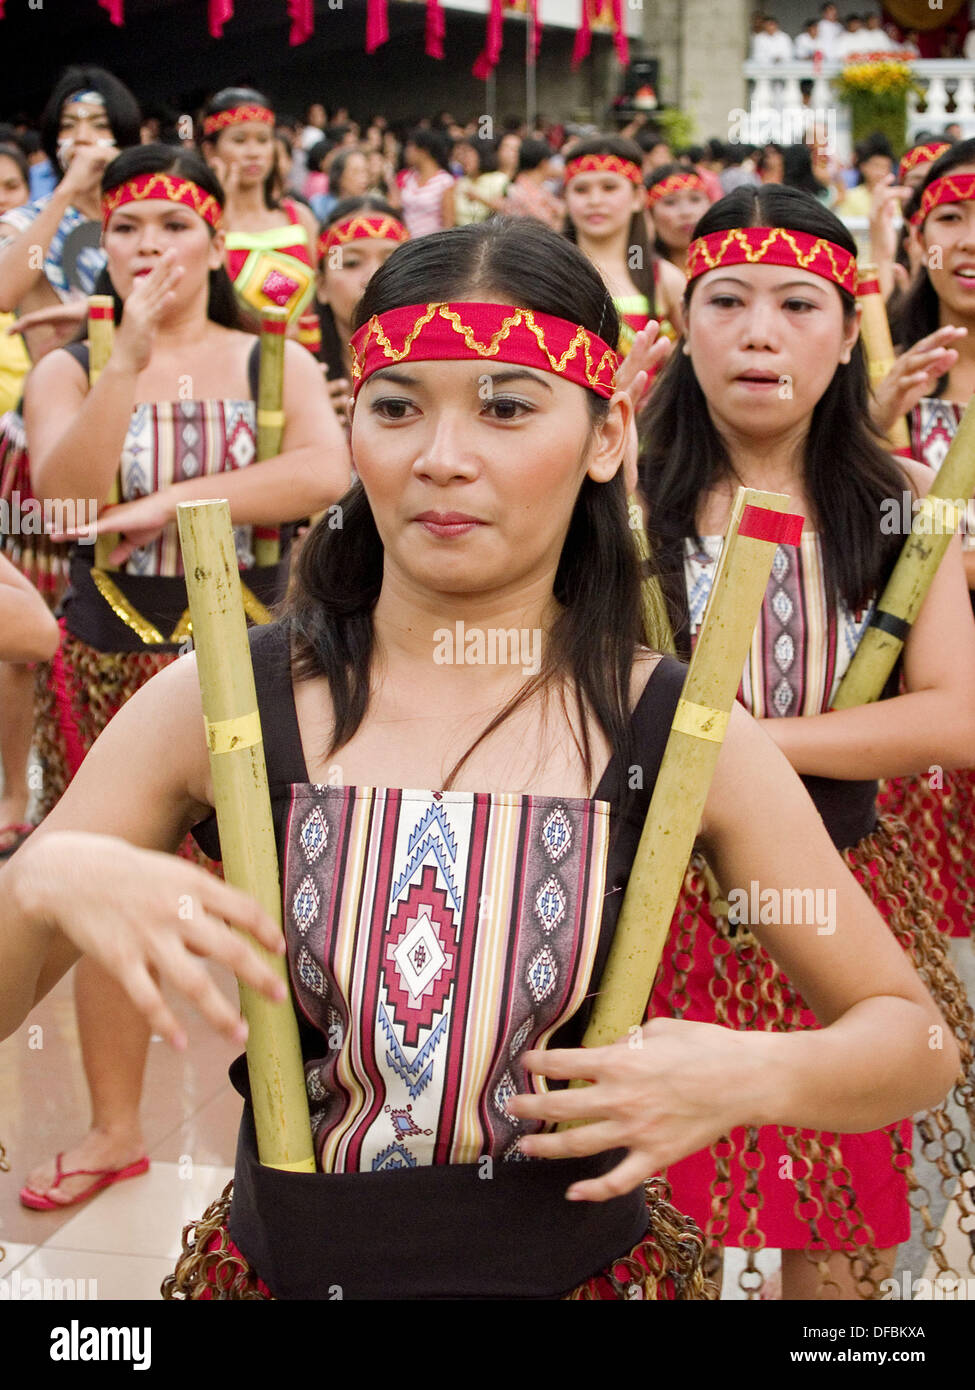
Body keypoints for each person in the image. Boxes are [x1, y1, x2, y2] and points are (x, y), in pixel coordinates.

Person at [0, 216, 959, 1301]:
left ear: (606, 439)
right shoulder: (220, 701)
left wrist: (756, 1070)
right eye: (397, 406)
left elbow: (913, 1038)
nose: (441, 457)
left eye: (507, 407)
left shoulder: (673, 726)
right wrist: (36, 881)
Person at [636, 183, 975, 1299]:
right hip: (639, 892)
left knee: (835, 1215)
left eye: (798, 304)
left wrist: (751, 746)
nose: (760, 332)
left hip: (837, 892)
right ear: (686, 323)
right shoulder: (617, 494)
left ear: (848, 328)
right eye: (726, 301)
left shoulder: (899, 499)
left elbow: (956, 715)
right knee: (641, 1213)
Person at [14, 144, 350, 1213]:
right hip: (110, 651)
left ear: (216, 241)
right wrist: (126, 361)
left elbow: (324, 471)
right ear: (103, 245)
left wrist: (178, 500)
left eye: (171, 228)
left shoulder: (274, 360)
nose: (148, 248)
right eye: (126, 230)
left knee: (297, 878)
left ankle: (330, 1110)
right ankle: (116, 1125)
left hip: (257, 646)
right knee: (112, 881)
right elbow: (63, 494)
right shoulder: (73, 365)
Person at [876, 139, 975, 943]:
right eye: (950, 217)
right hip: (902, 689)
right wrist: (867, 424)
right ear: (917, 239)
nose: (969, 240)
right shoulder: (871, 366)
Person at [0, 66, 140, 363]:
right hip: (60, 390)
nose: (83, 138)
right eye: (68, 126)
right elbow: (4, 292)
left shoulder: (146, 221)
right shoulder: (26, 222)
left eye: (100, 126)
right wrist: (67, 192)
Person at [199, 88, 320, 334]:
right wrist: (226, 209)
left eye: (263, 140)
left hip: (305, 359)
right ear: (210, 151)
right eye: (239, 140)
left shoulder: (298, 217)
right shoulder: (200, 222)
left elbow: (322, 295)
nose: (254, 152)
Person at [563, 138, 685, 362]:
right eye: (581, 189)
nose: (595, 200)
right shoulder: (547, 273)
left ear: (638, 198)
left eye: (609, 187)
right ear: (565, 198)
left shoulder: (667, 279)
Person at [314, 195, 409, 425]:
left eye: (390, 263)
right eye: (352, 263)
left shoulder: (444, 367)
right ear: (322, 285)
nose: (373, 278)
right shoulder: (299, 374)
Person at [645, 162, 712, 275]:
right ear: (650, 214)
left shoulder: (731, 262)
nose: (686, 212)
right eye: (670, 202)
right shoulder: (639, 267)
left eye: (695, 199)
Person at [394, 128, 455, 238]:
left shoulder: (444, 181)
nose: (406, 151)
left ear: (424, 151)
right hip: (407, 244)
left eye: (410, 147)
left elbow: (448, 223)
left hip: (431, 245)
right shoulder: (408, 178)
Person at [452, 136, 509, 226]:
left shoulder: (498, 179)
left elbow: (504, 208)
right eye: (462, 155)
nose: (464, 159)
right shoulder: (460, 182)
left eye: (468, 154)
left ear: (481, 154)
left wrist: (478, 197)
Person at [835, 135, 895, 219]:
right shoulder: (851, 197)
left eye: (885, 167)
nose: (880, 173)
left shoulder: (895, 198)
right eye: (876, 166)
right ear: (863, 167)